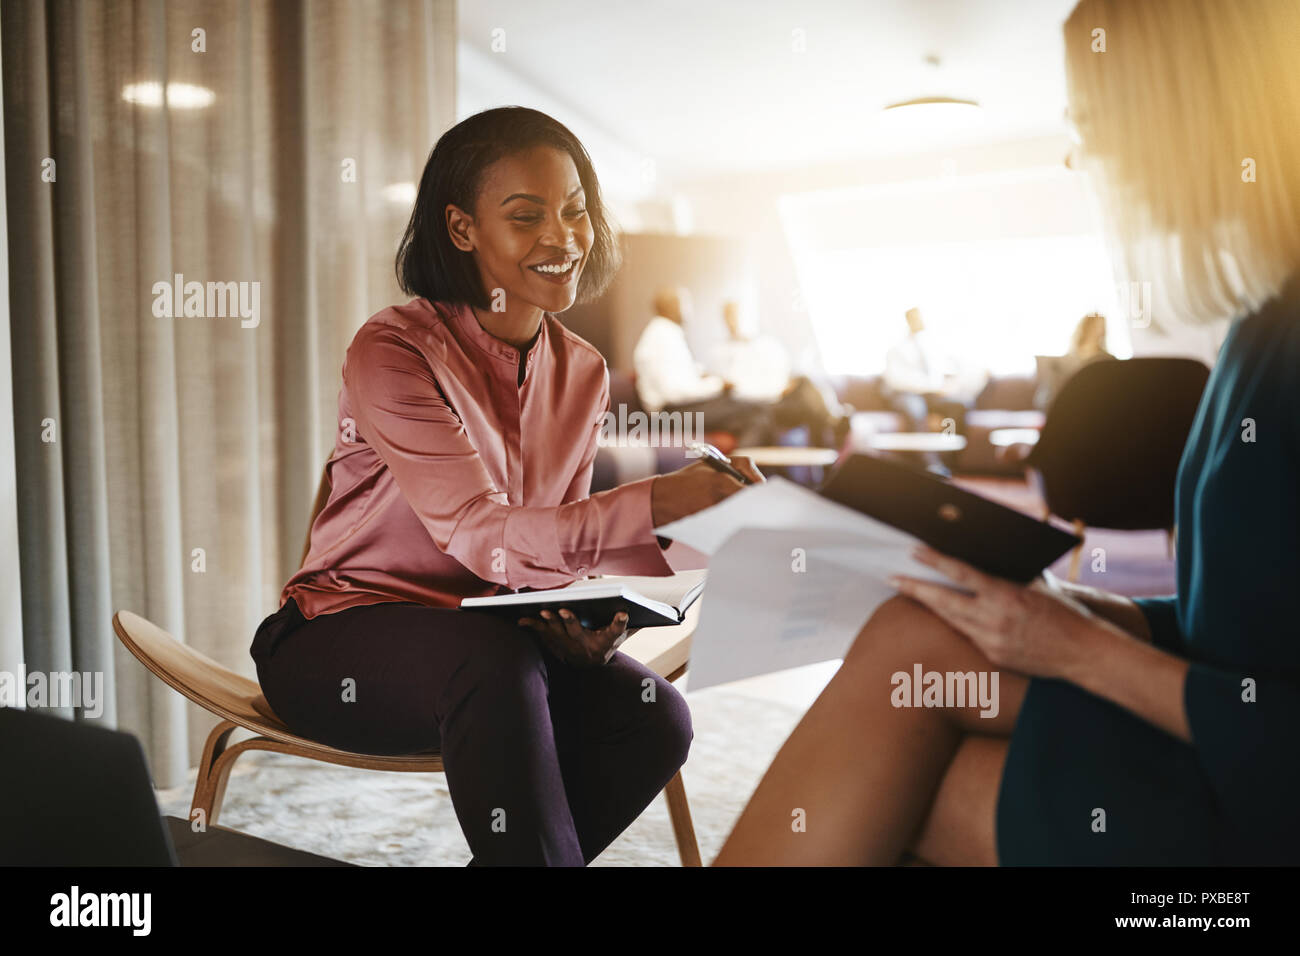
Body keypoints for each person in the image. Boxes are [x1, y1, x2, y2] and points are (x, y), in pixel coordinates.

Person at [714, 0, 1300, 866]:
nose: (1078, 154)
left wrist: (1079, 651)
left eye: (1093, 125)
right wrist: (1080, 612)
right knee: (914, 638)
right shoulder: (1260, 329)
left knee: (895, 783)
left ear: (1184, 122)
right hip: (1230, 728)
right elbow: (1255, 627)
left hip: (1264, 791)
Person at [248, 107, 763, 867]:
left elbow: (543, 547)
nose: (562, 238)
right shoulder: (391, 348)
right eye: (526, 217)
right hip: (340, 640)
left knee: (652, 717)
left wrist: (580, 617)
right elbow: (480, 532)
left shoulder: (580, 368)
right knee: (491, 665)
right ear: (462, 230)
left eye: (575, 210)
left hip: (496, 643)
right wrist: (660, 500)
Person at [632, 287, 776, 446]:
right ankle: (742, 469)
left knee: (754, 414)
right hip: (670, 415)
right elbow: (674, 392)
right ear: (670, 306)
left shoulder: (666, 333)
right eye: (684, 303)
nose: (688, 309)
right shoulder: (661, 336)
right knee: (757, 411)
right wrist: (717, 385)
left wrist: (702, 376)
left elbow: (678, 377)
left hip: (678, 410)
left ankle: (741, 466)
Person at [881, 306, 973, 434]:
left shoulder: (930, 345)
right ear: (908, 321)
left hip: (931, 394)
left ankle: (948, 448)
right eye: (916, 318)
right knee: (916, 411)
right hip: (906, 394)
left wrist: (946, 385)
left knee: (961, 404)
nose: (921, 321)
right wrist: (933, 388)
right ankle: (924, 453)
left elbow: (941, 370)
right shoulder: (897, 349)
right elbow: (898, 381)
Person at [1033, 311, 1118, 411]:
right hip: (1069, 406)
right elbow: (1045, 399)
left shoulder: (1108, 360)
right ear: (1086, 326)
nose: (1100, 331)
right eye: (1096, 326)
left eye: (1102, 327)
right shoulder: (1063, 363)